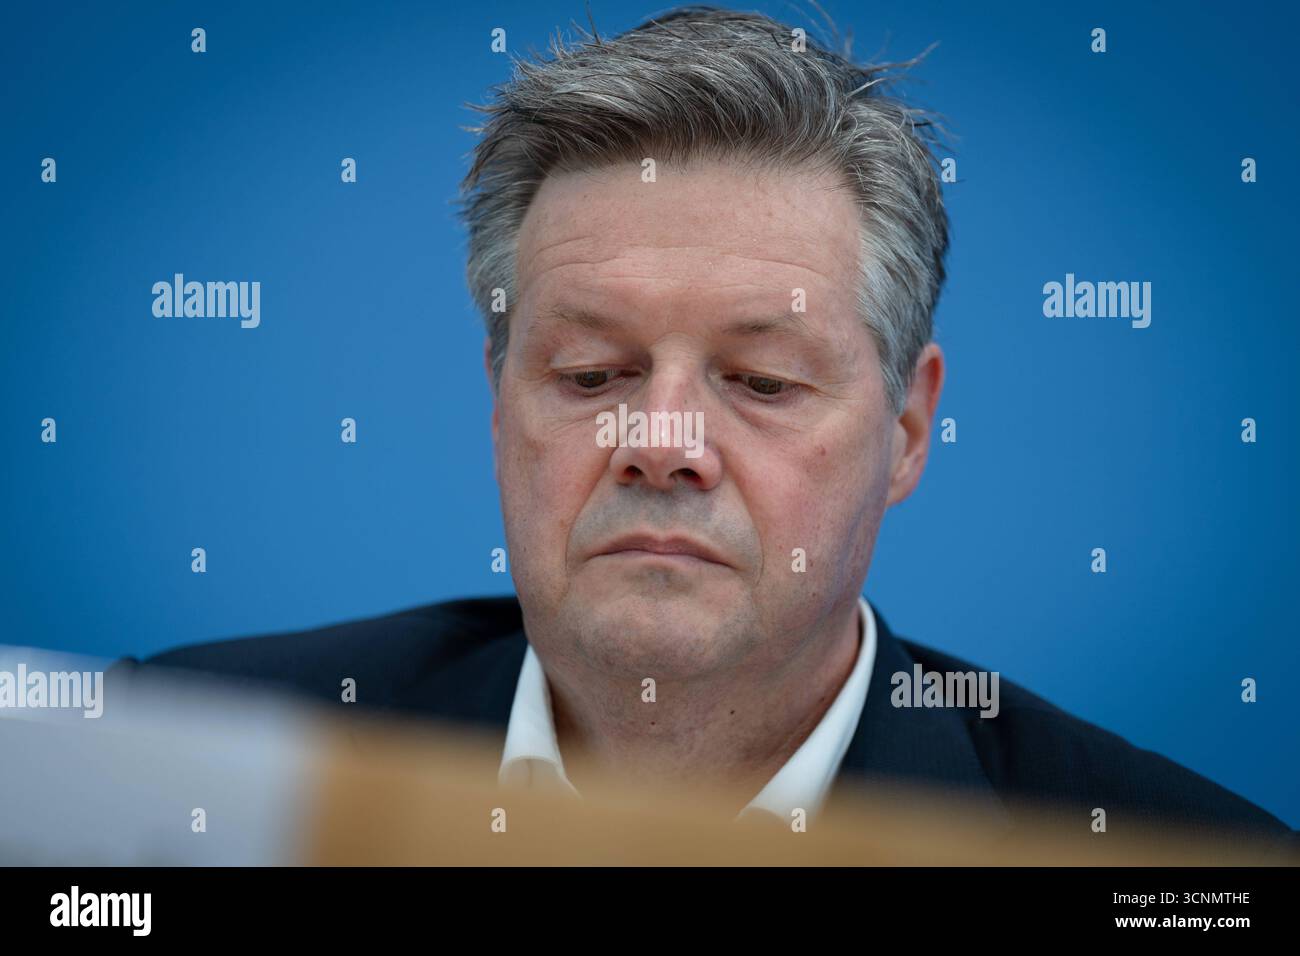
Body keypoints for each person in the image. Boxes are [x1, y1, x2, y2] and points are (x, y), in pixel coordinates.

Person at [127, 6, 1295, 845]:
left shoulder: (1166, 859)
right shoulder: (177, 753)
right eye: (589, 373)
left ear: (905, 426)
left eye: (762, 379)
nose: (661, 439)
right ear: (498, 395)